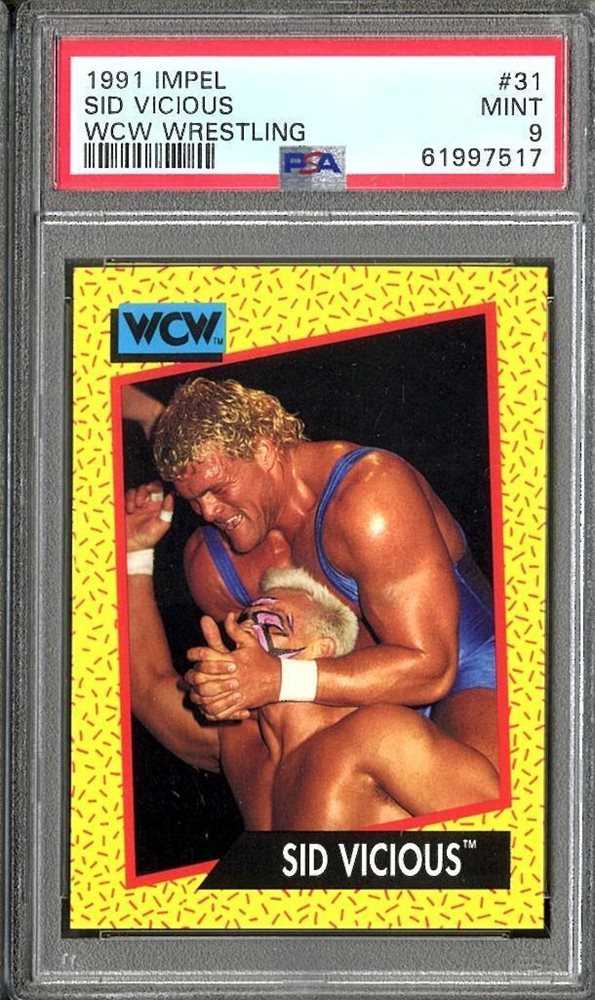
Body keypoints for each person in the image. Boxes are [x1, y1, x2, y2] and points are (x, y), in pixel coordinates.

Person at [143, 377, 498, 771]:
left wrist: (278, 680)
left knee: (477, 787)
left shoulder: (368, 495)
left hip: (467, 671)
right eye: (194, 499)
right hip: (352, 707)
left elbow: (432, 669)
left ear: (263, 450)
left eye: (218, 489)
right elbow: (254, 685)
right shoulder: (212, 563)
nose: (208, 512)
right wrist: (220, 687)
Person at [126, 495, 499, 830]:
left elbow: (507, 840)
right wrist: (133, 553)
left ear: (321, 649)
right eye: (245, 620)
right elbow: (147, 687)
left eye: (271, 620)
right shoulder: (240, 744)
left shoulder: (378, 734)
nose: (247, 629)